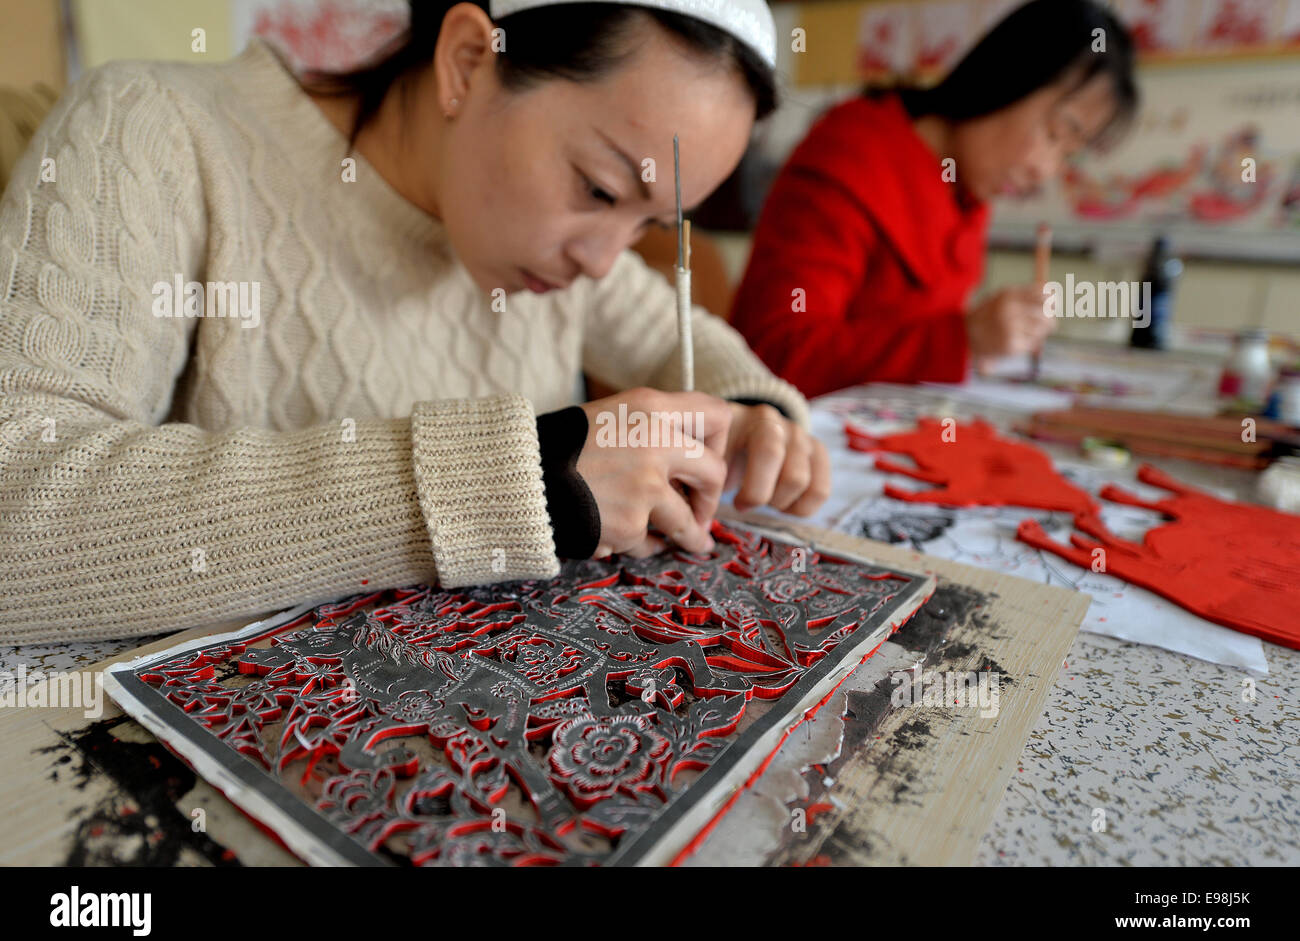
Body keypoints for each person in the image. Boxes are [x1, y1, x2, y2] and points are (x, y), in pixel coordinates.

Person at [0, 0, 829, 643]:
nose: (604, 260)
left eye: (650, 223)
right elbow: (16, 509)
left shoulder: (553, 256)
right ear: (468, 61)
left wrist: (751, 409)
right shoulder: (154, 129)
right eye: (602, 189)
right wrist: (519, 482)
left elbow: (671, 336)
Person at [729, 0, 1138, 398]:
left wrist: (980, 343)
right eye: (1053, 134)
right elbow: (778, 354)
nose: (1045, 171)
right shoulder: (851, 156)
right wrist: (961, 339)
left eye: (1067, 154)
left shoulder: (965, 185)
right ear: (1009, 76)